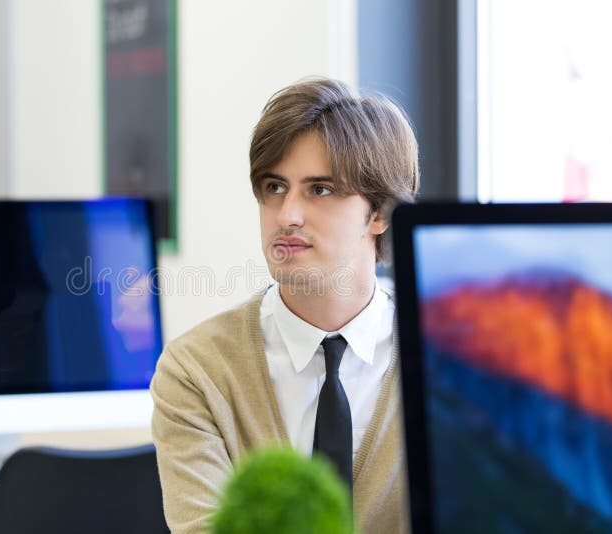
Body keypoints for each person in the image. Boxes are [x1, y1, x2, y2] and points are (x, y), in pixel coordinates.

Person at [150, 77, 420, 534]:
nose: (287, 215)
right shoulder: (196, 370)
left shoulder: (445, 360)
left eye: (320, 189)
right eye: (275, 187)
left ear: (379, 213)